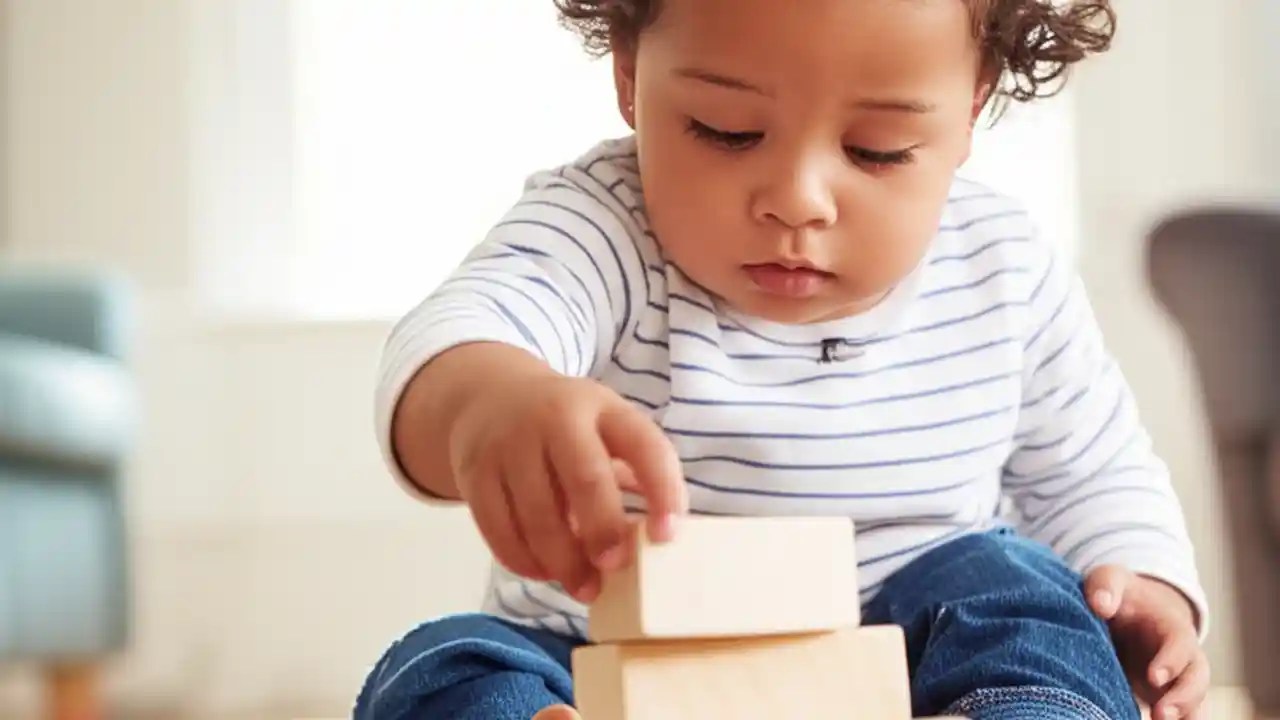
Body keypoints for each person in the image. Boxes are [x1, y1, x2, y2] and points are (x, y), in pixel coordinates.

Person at [354, 1, 1211, 718]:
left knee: (1030, 598)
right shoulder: (602, 228)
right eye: (726, 131)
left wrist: (1144, 588)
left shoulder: (1003, 263)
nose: (798, 199)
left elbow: (1096, 471)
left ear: (972, 108)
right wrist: (487, 401)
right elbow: (466, 327)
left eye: (877, 149)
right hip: (602, 644)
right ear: (628, 74)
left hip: (915, 647)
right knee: (441, 665)